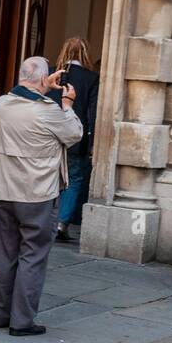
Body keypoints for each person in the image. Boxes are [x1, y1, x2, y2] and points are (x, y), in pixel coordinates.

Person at [0, 55, 82, 337]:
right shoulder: (48, 110)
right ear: (42, 79)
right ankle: (22, 321)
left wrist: (43, 87)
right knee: (33, 257)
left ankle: (2, 314)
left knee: (7, 255)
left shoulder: (3, 103)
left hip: (5, 190)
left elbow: (25, 94)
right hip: (37, 193)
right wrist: (67, 103)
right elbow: (74, 133)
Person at [54, 37, 99, 242]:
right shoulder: (91, 78)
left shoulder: (52, 73)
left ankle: (44, 219)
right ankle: (61, 223)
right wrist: (92, 142)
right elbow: (92, 113)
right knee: (74, 180)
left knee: (48, 177)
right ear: (85, 53)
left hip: (50, 134)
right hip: (75, 136)